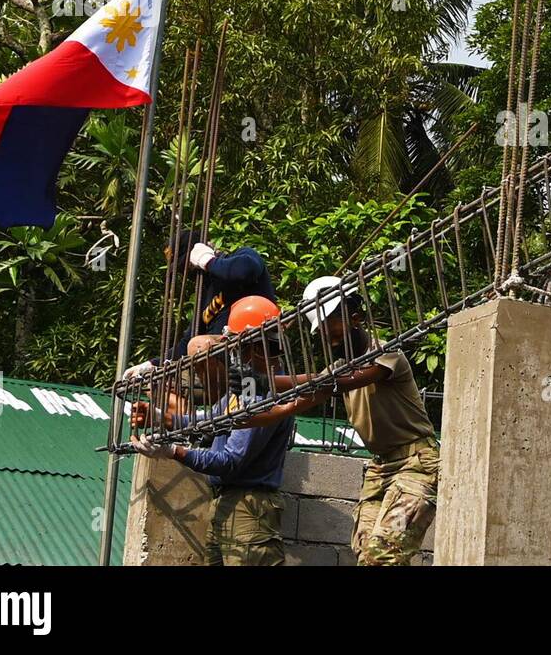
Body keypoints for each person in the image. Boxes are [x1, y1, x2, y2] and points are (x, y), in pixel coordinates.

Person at [238, 275, 439, 566]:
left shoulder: (386, 354)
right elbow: (294, 401)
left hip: (416, 464)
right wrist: (247, 402)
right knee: (365, 552)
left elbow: (333, 384)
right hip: (380, 469)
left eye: (331, 327)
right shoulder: (339, 369)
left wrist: (262, 380)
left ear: (354, 318)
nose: (325, 336)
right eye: (320, 330)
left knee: (382, 557)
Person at [131, 295, 294, 566]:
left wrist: (174, 451)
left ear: (254, 347)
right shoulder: (243, 387)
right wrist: (162, 417)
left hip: (249, 510)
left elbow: (231, 461)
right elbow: (208, 420)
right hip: (228, 505)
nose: (230, 353)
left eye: (236, 346)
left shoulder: (264, 394)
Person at [121, 229, 279, 382]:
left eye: (187, 265)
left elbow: (246, 270)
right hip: (224, 369)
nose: (186, 273)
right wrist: (151, 364)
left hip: (256, 349)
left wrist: (208, 261)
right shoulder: (204, 297)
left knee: (198, 345)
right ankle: (217, 405)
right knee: (156, 384)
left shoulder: (240, 257)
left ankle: (227, 398)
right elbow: (185, 343)